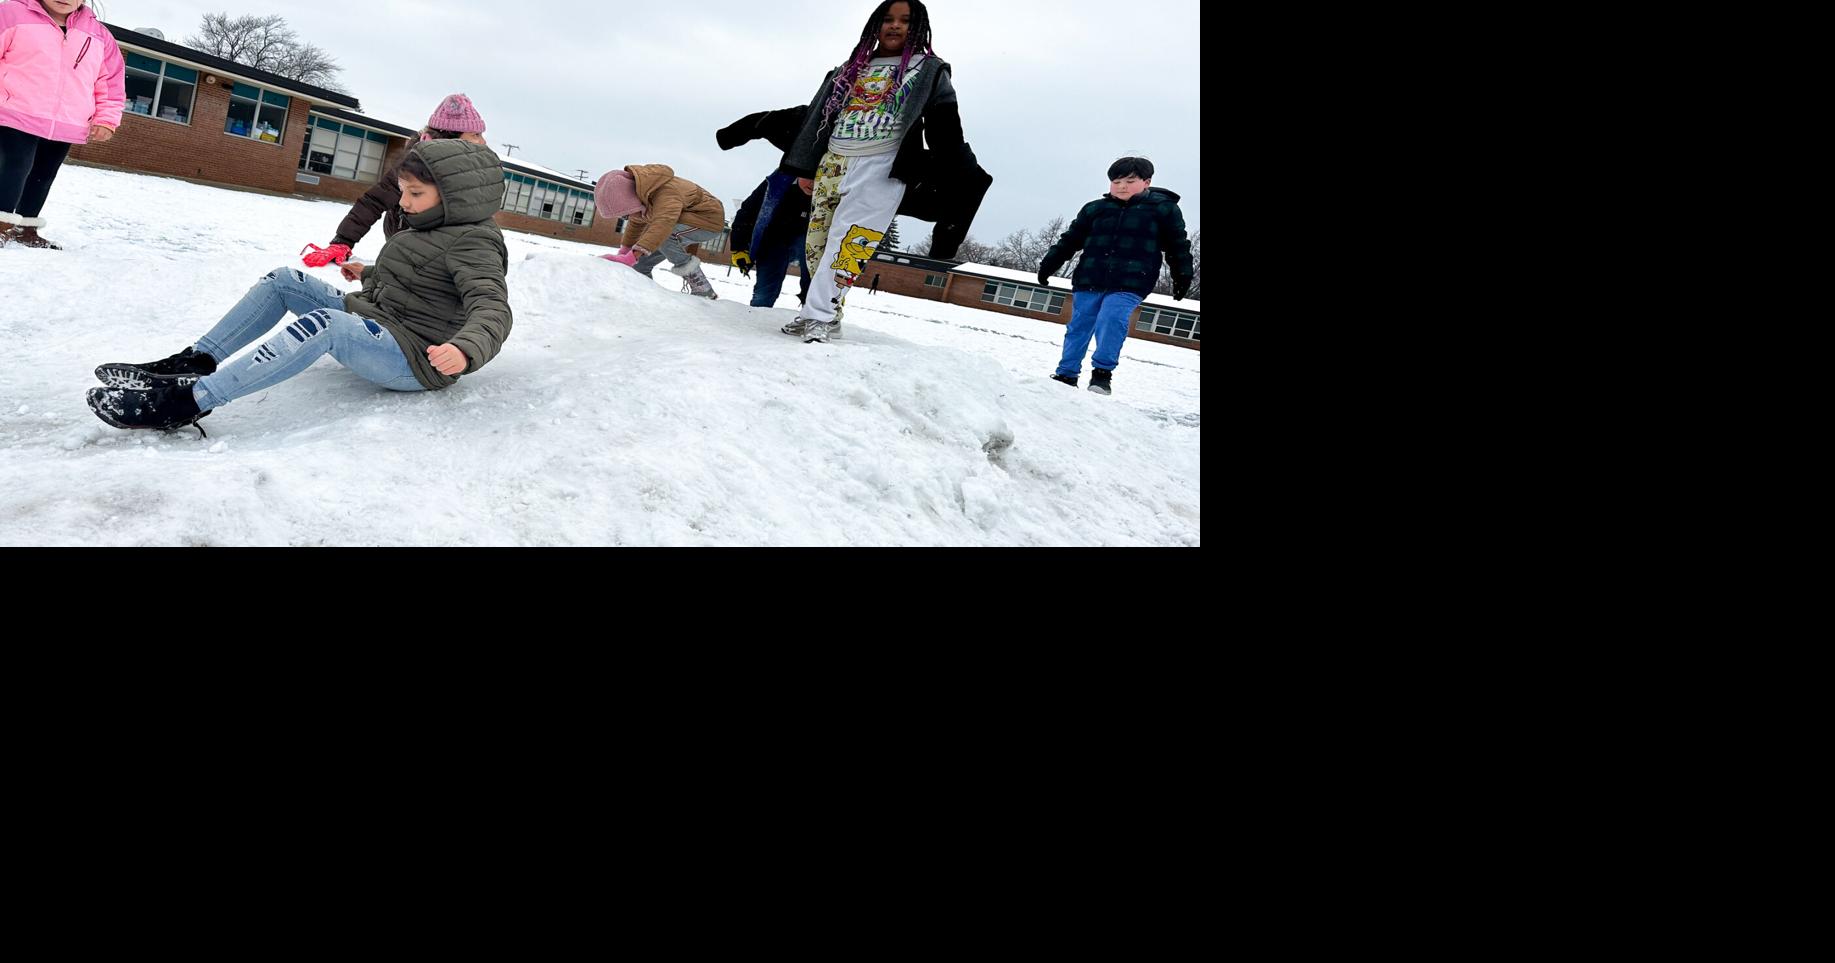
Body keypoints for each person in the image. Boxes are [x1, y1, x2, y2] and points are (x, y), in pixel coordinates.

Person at [87, 140, 512, 435]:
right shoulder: (424, 223)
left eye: (414, 193)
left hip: (415, 357)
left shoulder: (474, 240)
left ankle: (188, 403)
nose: (402, 202)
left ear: (454, 196)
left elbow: (492, 306)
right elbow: (417, 278)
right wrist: (367, 272)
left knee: (324, 323)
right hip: (377, 320)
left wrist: (466, 349)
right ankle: (195, 362)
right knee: (283, 279)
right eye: (402, 192)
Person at [1037, 156, 1193, 396]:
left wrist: (1182, 275)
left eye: (1130, 181)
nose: (1122, 186)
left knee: (1111, 318)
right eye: (1116, 181)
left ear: (1147, 182)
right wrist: (1049, 264)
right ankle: (1066, 374)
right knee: (1080, 325)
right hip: (1090, 276)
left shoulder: (1163, 209)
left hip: (1132, 280)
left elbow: (1178, 245)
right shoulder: (1095, 209)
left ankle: (1102, 374)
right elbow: (1071, 239)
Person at [0, 0, 124, 250]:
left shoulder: (99, 35)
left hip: (67, 121)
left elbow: (110, 82)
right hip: (15, 112)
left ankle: (26, 228)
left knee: (43, 175)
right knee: (15, 166)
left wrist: (106, 119)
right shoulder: (10, 13)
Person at [595, 164, 725, 301]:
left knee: (663, 234)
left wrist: (632, 255)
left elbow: (664, 222)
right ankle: (645, 295)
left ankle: (702, 287)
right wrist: (625, 251)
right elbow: (636, 223)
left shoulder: (666, 191)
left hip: (708, 221)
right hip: (679, 221)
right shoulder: (643, 196)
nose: (628, 218)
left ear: (631, 201)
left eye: (626, 215)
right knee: (641, 263)